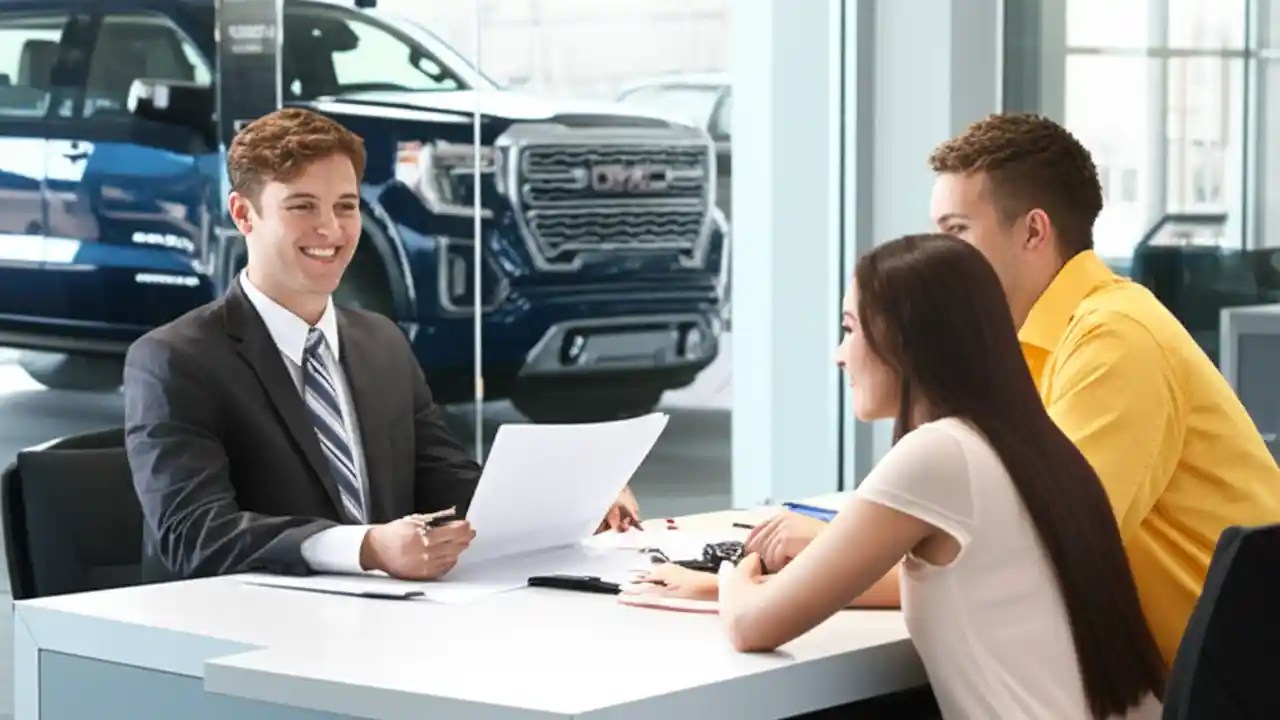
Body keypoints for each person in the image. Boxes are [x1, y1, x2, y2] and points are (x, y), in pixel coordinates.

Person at [743, 113, 1280, 666]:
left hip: (1232, 688)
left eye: (957, 231)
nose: (941, 254)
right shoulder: (1026, 343)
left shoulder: (1115, 339)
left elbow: (1034, 561)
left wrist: (821, 566)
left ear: (1033, 232)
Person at [633, 234, 1166, 719]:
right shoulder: (1037, 450)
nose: (839, 356)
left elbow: (753, 628)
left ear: (903, 339)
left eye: (849, 329)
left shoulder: (938, 455)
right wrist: (745, 587)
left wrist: (734, 576)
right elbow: (895, 579)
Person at [125, 108, 640, 583]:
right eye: (302, 206)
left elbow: (445, 480)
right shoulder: (176, 359)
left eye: (345, 207)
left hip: (382, 623)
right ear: (243, 214)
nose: (330, 228)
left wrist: (571, 502)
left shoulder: (380, 341)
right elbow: (193, 534)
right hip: (234, 632)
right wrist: (366, 548)